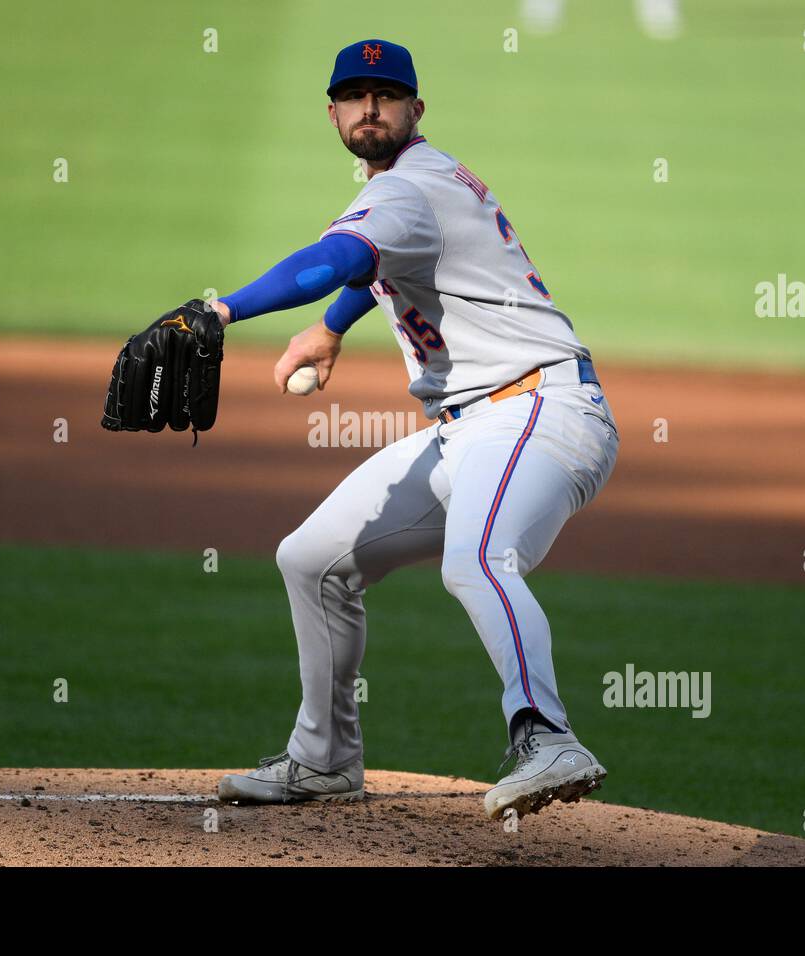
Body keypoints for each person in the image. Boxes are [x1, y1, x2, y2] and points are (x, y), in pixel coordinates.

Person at [212, 39, 620, 819]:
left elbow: (341, 255)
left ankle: (548, 738)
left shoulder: (410, 186)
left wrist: (222, 311)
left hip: (539, 411)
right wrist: (332, 329)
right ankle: (322, 760)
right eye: (355, 95)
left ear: (415, 110)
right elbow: (382, 266)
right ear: (332, 112)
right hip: (471, 429)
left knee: (478, 559)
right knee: (311, 560)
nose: (371, 108)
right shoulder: (412, 188)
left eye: (387, 95)